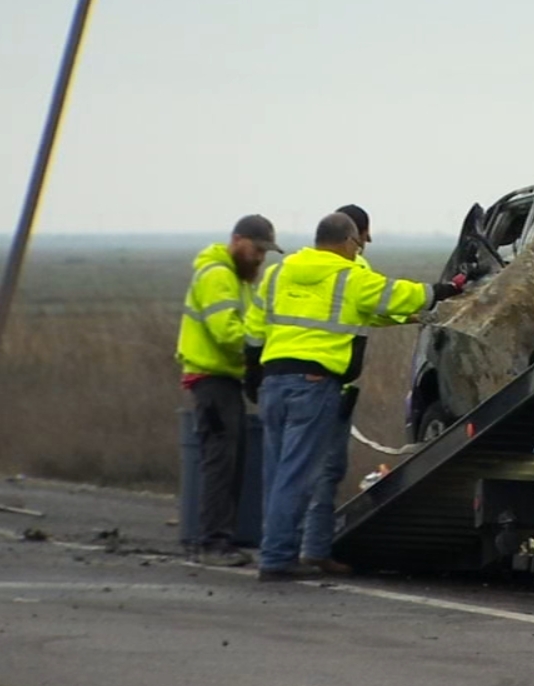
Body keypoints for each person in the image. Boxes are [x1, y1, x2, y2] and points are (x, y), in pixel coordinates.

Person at [245, 212, 467, 581]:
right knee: (297, 475)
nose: (359, 248)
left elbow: (254, 327)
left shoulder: (278, 273)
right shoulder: (349, 276)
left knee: (278, 473)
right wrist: (447, 289)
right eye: (358, 243)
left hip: (273, 383)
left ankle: (278, 548)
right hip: (314, 384)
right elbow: (396, 294)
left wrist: (251, 375)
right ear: (349, 242)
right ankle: (277, 558)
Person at [298, 203, 403, 567]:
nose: (367, 242)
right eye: (364, 235)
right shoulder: (352, 270)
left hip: (305, 381)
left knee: (302, 468)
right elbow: (380, 305)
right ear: (352, 237)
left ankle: (297, 546)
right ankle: (307, 549)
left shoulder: (294, 269)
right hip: (324, 382)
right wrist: (434, 303)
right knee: (320, 469)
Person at [174, 214, 281, 567]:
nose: (260, 257)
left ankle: (220, 538)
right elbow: (228, 332)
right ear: (237, 241)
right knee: (220, 462)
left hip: (225, 380)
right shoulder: (219, 276)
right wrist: (261, 355)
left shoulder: (240, 278)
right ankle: (212, 544)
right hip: (212, 379)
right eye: (257, 248)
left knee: (229, 460)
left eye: (265, 252)